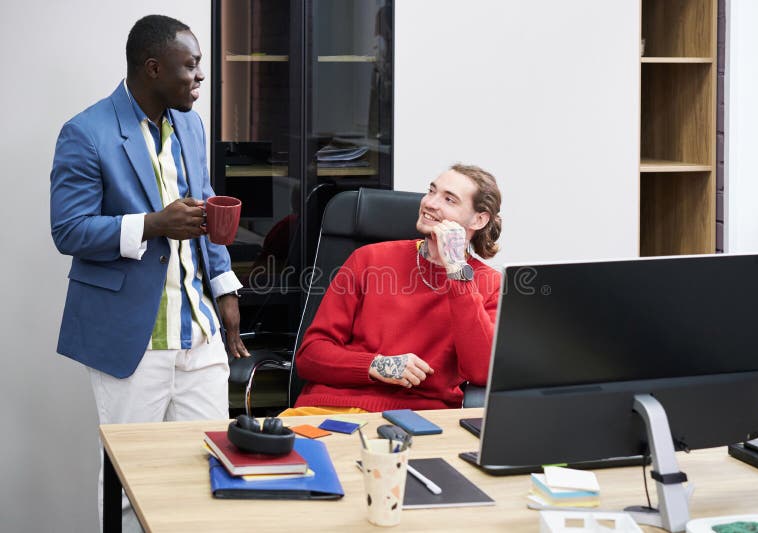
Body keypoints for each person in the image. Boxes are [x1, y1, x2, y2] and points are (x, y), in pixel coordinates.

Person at [50, 14, 249, 529]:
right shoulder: (86, 133)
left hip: (199, 333)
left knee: (211, 468)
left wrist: (224, 289)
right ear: (154, 68)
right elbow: (68, 231)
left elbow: (206, 206)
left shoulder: (190, 123)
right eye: (191, 66)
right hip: (132, 341)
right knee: (128, 477)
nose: (201, 76)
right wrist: (152, 225)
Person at [283, 164, 502, 415]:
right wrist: (377, 365)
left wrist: (456, 269)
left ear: (479, 219)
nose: (430, 203)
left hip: (417, 420)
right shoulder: (368, 259)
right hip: (329, 408)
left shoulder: (488, 283)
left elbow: (482, 371)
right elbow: (310, 357)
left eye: (449, 199)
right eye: (431, 191)